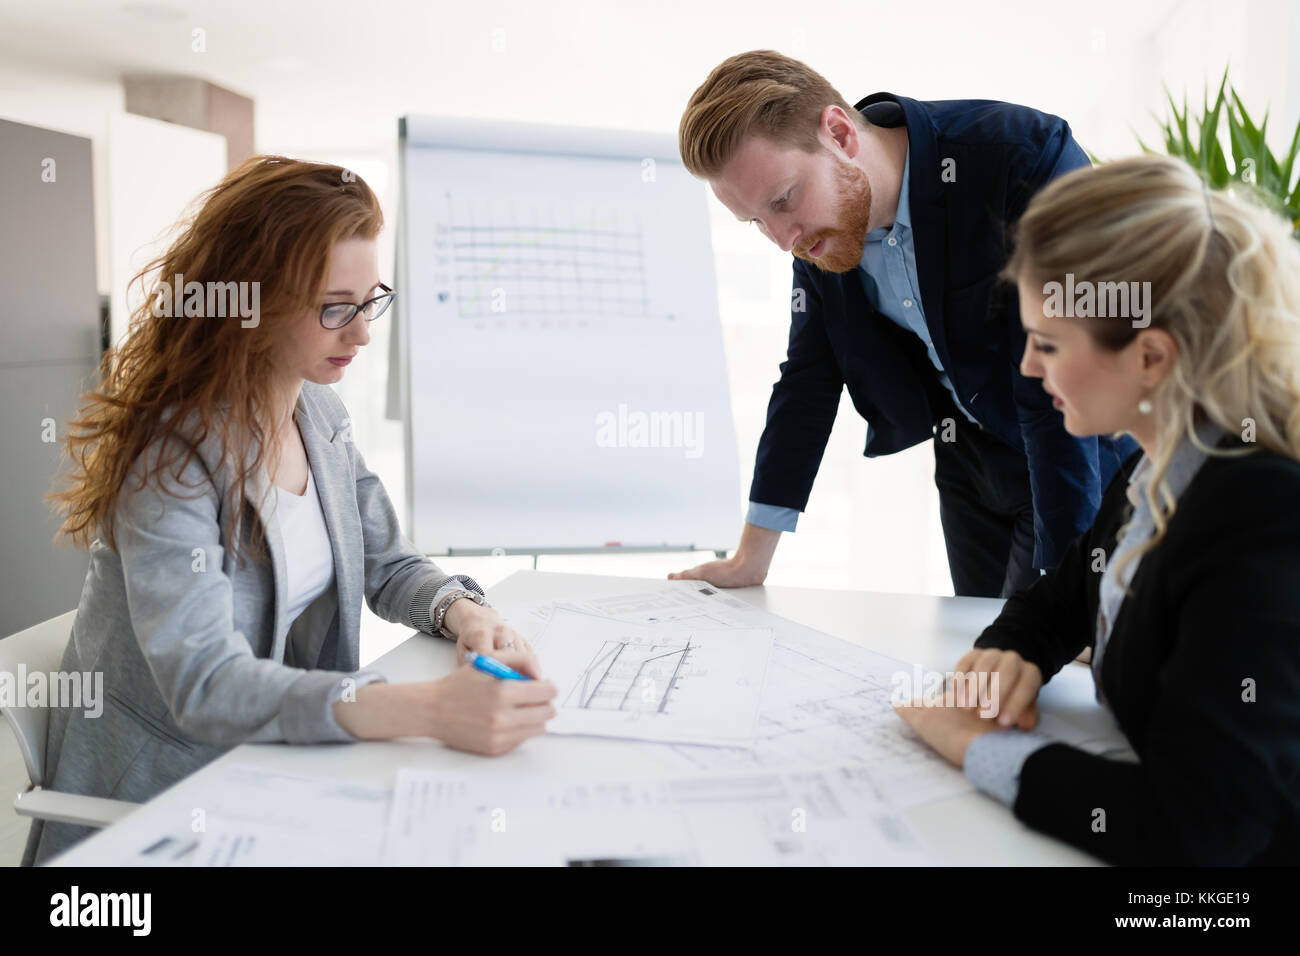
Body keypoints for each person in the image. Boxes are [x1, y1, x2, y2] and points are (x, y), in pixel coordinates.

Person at [24, 156, 557, 866]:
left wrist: (467, 615)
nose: (362, 333)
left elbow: (387, 562)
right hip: (162, 806)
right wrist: (432, 711)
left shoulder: (319, 414)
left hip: (276, 773)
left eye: (371, 301)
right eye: (335, 307)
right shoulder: (170, 457)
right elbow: (207, 684)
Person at [895, 154, 1300, 864]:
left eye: (1048, 344)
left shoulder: (1260, 520)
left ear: (1150, 357)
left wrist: (975, 748)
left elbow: (1198, 832)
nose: (1028, 367)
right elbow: (1071, 593)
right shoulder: (1163, 463)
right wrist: (1011, 650)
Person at [670, 50, 1136, 598]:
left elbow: (1067, 366)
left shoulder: (1020, 158)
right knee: (973, 659)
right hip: (969, 465)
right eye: (757, 221)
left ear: (839, 134)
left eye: (783, 200)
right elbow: (808, 382)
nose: (783, 240)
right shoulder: (819, 234)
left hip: (1079, 457)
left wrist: (1069, 593)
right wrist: (751, 558)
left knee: (1037, 662)